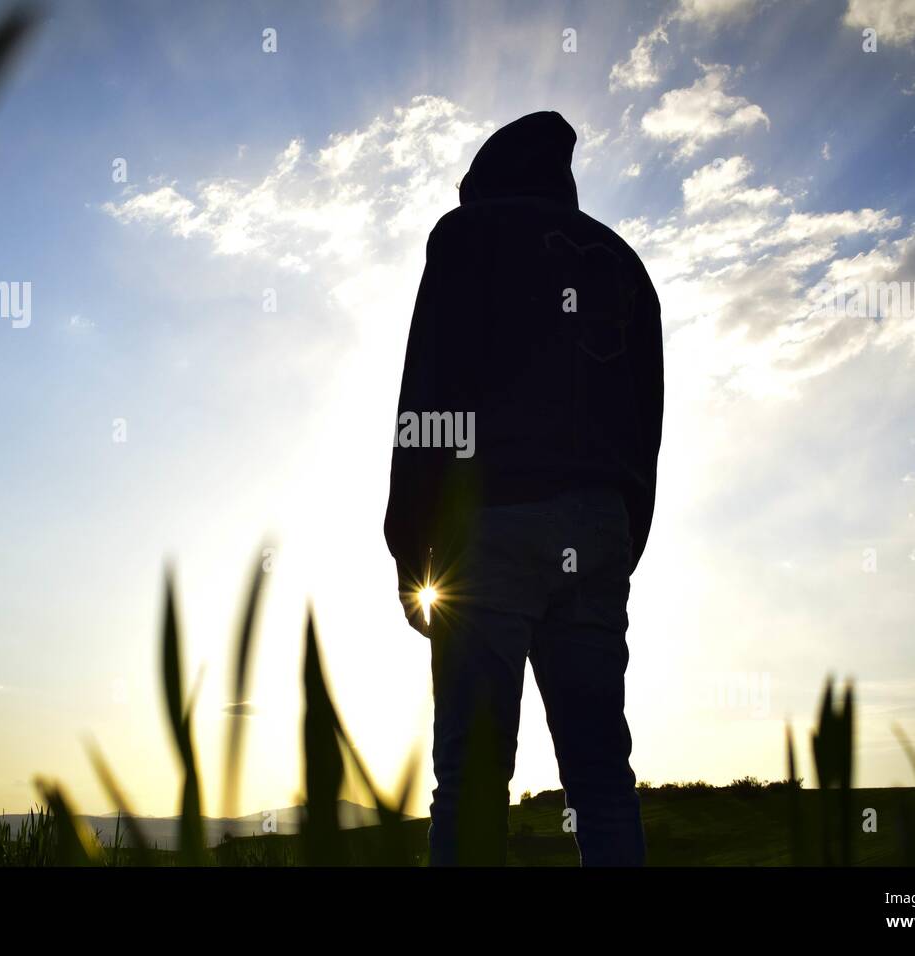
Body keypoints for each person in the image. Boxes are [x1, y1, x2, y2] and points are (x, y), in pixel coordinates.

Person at [384, 110, 664, 866]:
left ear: (486, 183)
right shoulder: (625, 263)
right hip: (600, 529)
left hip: (493, 519)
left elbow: (430, 398)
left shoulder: (466, 237)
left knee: (471, 778)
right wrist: (624, 531)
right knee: (602, 774)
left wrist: (409, 543)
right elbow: (648, 419)